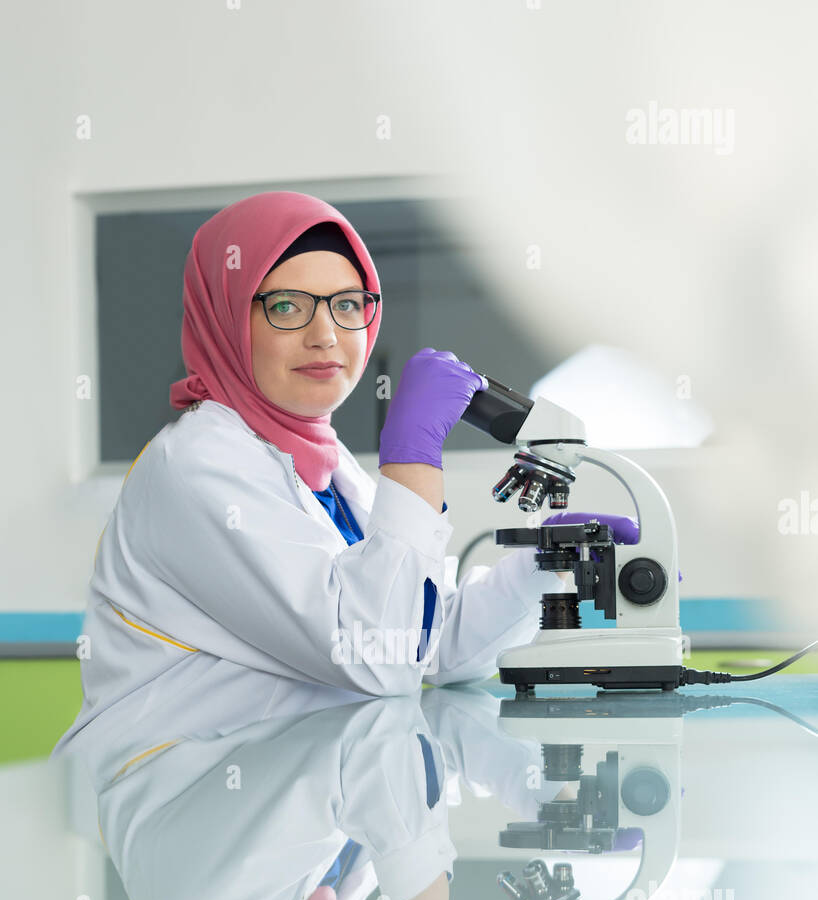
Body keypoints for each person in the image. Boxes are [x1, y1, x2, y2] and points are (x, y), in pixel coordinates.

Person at [54, 189, 569, 754]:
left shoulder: (326, 466)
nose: (325, 334)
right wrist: (412, 455)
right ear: (226, 320)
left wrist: (547, 562)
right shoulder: (197, 467)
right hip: (176, 798)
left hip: (284, 798)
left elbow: (431, 643)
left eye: (347, 304)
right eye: (287, 306)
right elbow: (379, 661)